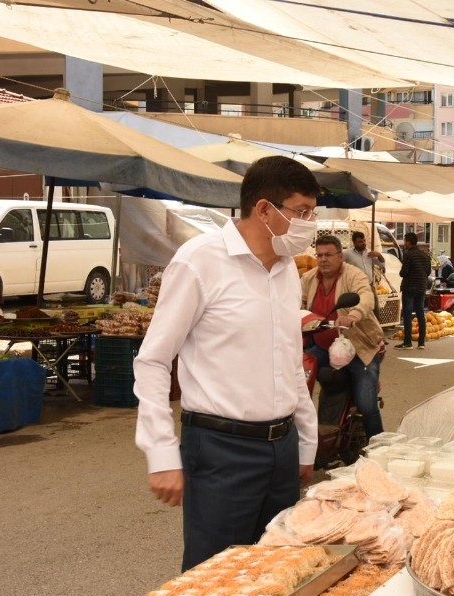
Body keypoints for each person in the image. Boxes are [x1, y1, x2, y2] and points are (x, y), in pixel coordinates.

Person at [133, 155, 320, 571]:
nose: (309, 224)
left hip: (282, 448)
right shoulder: (199, 261)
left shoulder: (287, 270)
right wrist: (161, 452)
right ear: (264, 210)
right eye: (301, 212)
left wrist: (306, 444)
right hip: (222, 450)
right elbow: (152, 361)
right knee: (213, 581)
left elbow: (291, 362)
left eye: (313, 212)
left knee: (274, 572)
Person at [301, 235, 385, 437]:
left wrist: (354, 315)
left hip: (359, 349)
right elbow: (298, 304)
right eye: (319, 255)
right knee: (295, 376)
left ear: (340, 256)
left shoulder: (354, 275)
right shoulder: (309, 278)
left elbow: (366, 297)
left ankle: (381, 446)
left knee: (366, 405)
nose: (323, 259)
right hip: (322, 348)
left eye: (328, 255)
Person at [397, 232, 430, 349]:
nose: (404, 243)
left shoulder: (408, 255)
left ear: (409, 242)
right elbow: (428, 272)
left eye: (405, 241)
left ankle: (407, 342)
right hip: (421, 287)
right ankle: (421, 342)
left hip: (409, 288)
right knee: (420, 313)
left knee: (407, 314)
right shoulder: (424, 255)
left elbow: (403, 272)